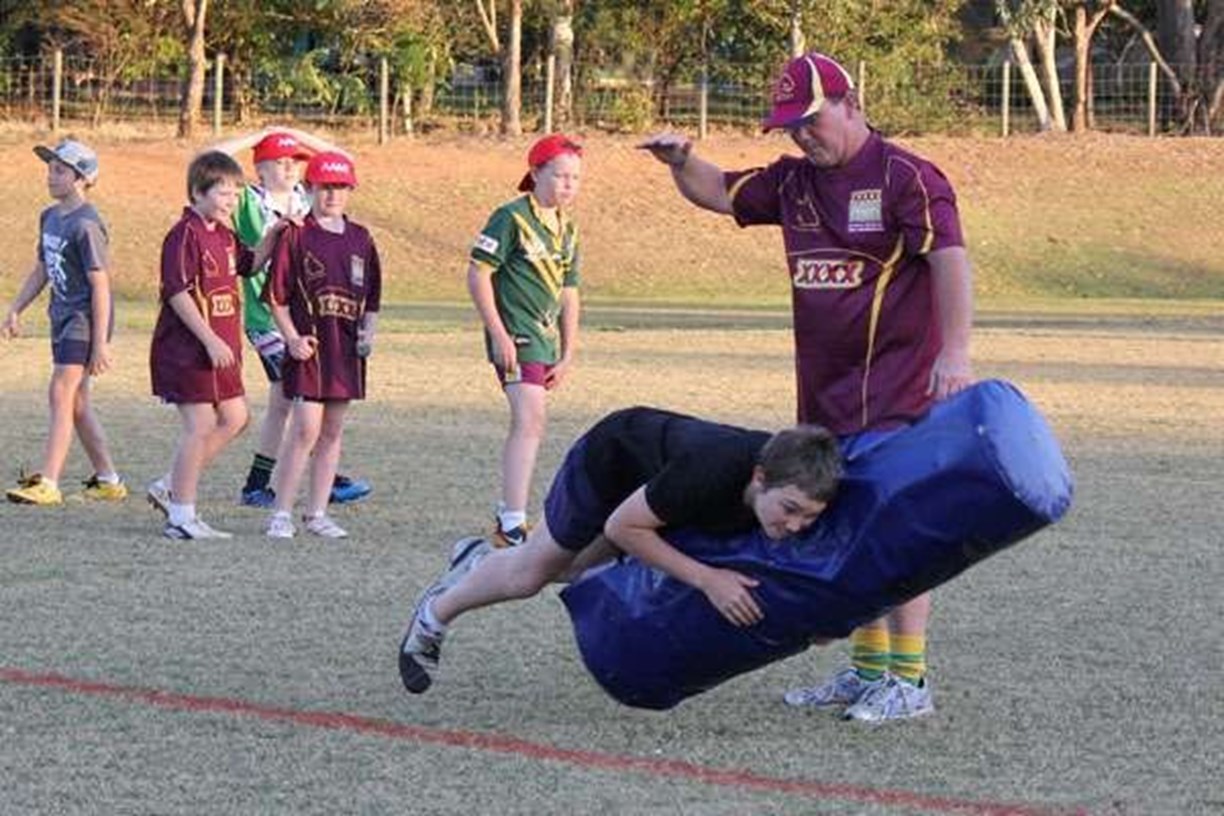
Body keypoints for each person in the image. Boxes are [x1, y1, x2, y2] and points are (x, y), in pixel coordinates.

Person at [638, 52, 975, 723]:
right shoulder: (793, 183)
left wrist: (956, 353)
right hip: (824, 403)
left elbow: (950, 259)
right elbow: (718, 191)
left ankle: (908, 679)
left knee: (895, 532)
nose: (801, 136)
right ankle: (868, 670)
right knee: (850, 533)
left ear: (850, 103)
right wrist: (679, 161)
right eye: (790, 127)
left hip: (894, 394)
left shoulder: (906, 175)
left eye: (811, 121)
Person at [398, 405, 842, 694]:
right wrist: (708, 579)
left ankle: (483, 565)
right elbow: (623, 526)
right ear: (759, 477)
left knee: (577, 571)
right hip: (610, 463)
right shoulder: (711, 471)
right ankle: (434, 615)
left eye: (809, 517)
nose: (796, 526)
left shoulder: (783, 491)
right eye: (790, 509)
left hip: (657, 495)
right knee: (529, 576)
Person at [207, 127, 372, 508]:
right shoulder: (249, 198)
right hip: (266, 318)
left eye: (294, 161)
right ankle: (324, 478)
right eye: (279, 162)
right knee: (304, 394)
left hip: (307, 320)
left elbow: (341, 158)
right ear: (258, 169)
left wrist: (296, 136)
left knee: (285, 399)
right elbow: (212, 157)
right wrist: (258, 136)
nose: (290, 168)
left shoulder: (306, 196)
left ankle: (257, 484)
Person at [146, 151, 280, 539]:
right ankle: (181, 517)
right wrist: (208, 338)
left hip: (221, 350)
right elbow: (177, 293)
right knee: (201, 425)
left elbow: (250, 264)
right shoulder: (183, 234)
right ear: (196, 192)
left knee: (236, 418)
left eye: (236, 194)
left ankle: (170, 484)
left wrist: (274, 235)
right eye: (223, 194)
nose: (231, 202)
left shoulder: (223, 233)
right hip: (189, 350)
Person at [467, 134, 583, 548]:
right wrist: (498, 334)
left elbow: (570, 291)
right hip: (517, 334)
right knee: (530, 419)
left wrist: (569, 353)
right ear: (535, 174)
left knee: (535, 421)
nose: (568, 184)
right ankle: (511, 521)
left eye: (575, 178)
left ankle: (512, 516)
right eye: (560, 175)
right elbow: (478, 273)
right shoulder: (511, 217)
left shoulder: (567, 228)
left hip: (545, 338)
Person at [263, 151, 381, 539]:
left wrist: (368, 333)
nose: (332, 195)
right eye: (325, 187)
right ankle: (280, 512)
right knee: (304, 430)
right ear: (310, 188)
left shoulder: (361, 238)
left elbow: (373, 301)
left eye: (340, 188)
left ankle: (316, 514)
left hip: (345, 352)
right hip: (310, 348)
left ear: (350, 191)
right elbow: (275, 298)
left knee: (332, 431)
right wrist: (291, 338)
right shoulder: (296, 234)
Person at [2, 139, 125, 505]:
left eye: (60, 170)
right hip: (61, 316)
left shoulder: (87, 224)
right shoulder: (50, 217)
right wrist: (16, 308)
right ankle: (108, 480)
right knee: (77, 403)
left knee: (60, 392)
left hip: (84, 320)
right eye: (50, 168)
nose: (51, 176)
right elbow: (42, 268)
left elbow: (100, 285)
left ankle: (49, 483)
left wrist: (100, 342)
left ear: (82, 178)